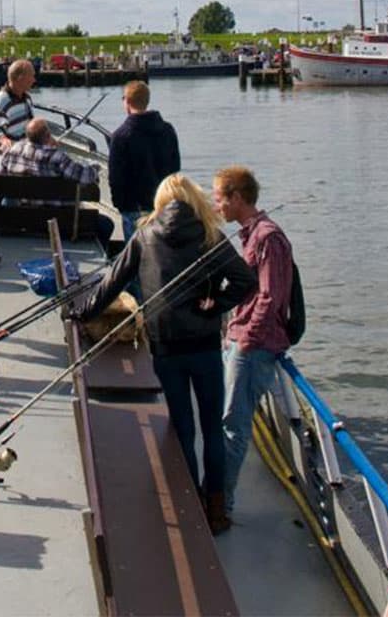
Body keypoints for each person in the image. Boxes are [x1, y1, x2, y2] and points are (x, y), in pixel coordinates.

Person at [70, 175, 255, 536]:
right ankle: (216, 509)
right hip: (203, 346)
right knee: (212, 429)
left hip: (166, 347)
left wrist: (83, 313)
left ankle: (189, 506)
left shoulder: (145, 235)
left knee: (182, 427)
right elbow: (246, 281)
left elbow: (113, 283)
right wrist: (214, 305)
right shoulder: (209, 236)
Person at [214, 165, 294, 519]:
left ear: (236, 197)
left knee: (234, 424)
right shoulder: (250, 235)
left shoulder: (267, 238)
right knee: (226, 419)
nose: (217, 206)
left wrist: (246, 340)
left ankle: (222, 505)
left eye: (220, 198)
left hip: (253, 346)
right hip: (239, 339)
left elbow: (270, 296)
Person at [110, 80, 182, 239]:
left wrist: (121, 205)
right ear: (147, 100)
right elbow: (175, 167)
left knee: (137, 253)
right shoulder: (168, 130)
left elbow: (116, 178)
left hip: (133, 207)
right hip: (163, 204)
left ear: (127, 102)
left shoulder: (121, 136)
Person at [0, 58, 38, 153]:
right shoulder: (3, 99)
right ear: (20, 78)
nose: (34, 80)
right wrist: (3, 140)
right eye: (31, 76)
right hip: (9, 158)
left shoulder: (26, 98)